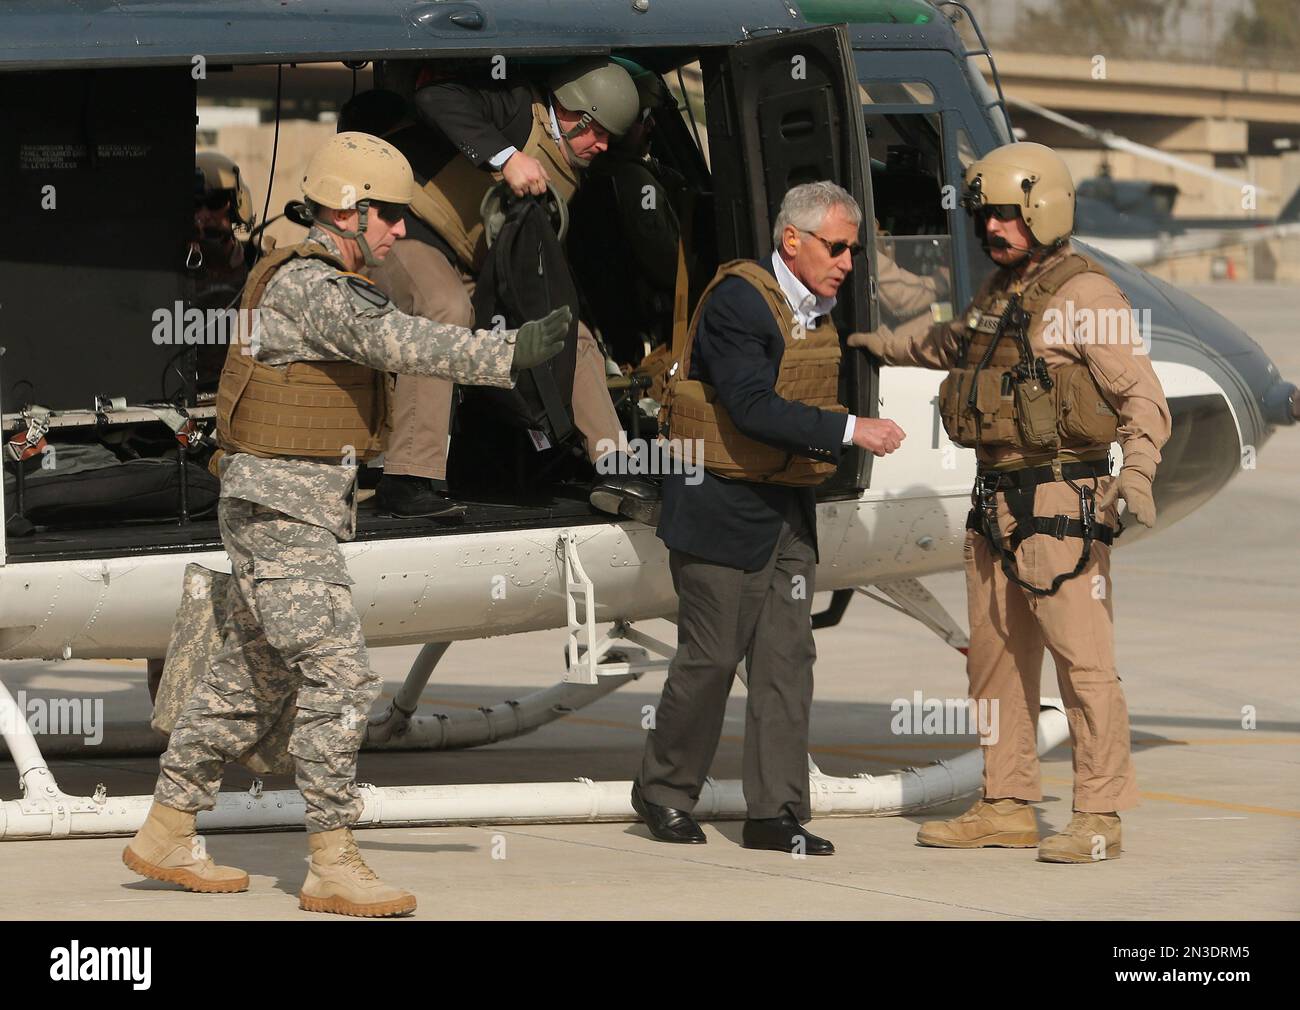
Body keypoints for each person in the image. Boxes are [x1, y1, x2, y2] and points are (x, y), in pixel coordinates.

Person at [123, 132, 568, 915]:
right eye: (390, 215)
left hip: (282, 508)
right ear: (348, 210)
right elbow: (402, 339)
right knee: (339, 675)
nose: (400, 230)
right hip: (283, 514)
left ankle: (166, 828)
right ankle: (331, 858)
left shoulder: (309, 279)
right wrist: (509, 352)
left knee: (246, 679)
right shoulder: (312, 286)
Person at [856, 142, 1171, 863]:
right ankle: (1007, 802)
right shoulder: (1002, 292)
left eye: (1008, 214)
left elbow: (1142, 396)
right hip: (995, 505)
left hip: (1061, 506)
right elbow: (951, 345)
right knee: (995, 663)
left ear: (1044, 209)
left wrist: (1140, 474)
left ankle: (1100, 813)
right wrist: (867, 343)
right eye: (986, 216)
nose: (994, 228)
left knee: (1083, 665)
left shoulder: (1087, 296)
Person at [632, 181, 906, 854]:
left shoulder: (817, 310)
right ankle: (664, 794)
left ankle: (775, 814)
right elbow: (751, 406)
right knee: (712, 658)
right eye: (836, 247)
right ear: (793, 239)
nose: (847, 262)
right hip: (723, 510)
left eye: (853, 251)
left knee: (787, 662)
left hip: (786, 512)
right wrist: (850, 429)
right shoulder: (738, 303)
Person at [347, 59, 656, 522]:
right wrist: (507, 156)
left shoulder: (574, 165)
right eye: (597, 132)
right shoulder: (516, 108)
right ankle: (408, 477)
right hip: (407, 227)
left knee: (569, 332)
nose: (603, 145)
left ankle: (613, 466)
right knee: (442, 308)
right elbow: (434, 98)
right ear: (572, 112)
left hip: (479, 262)